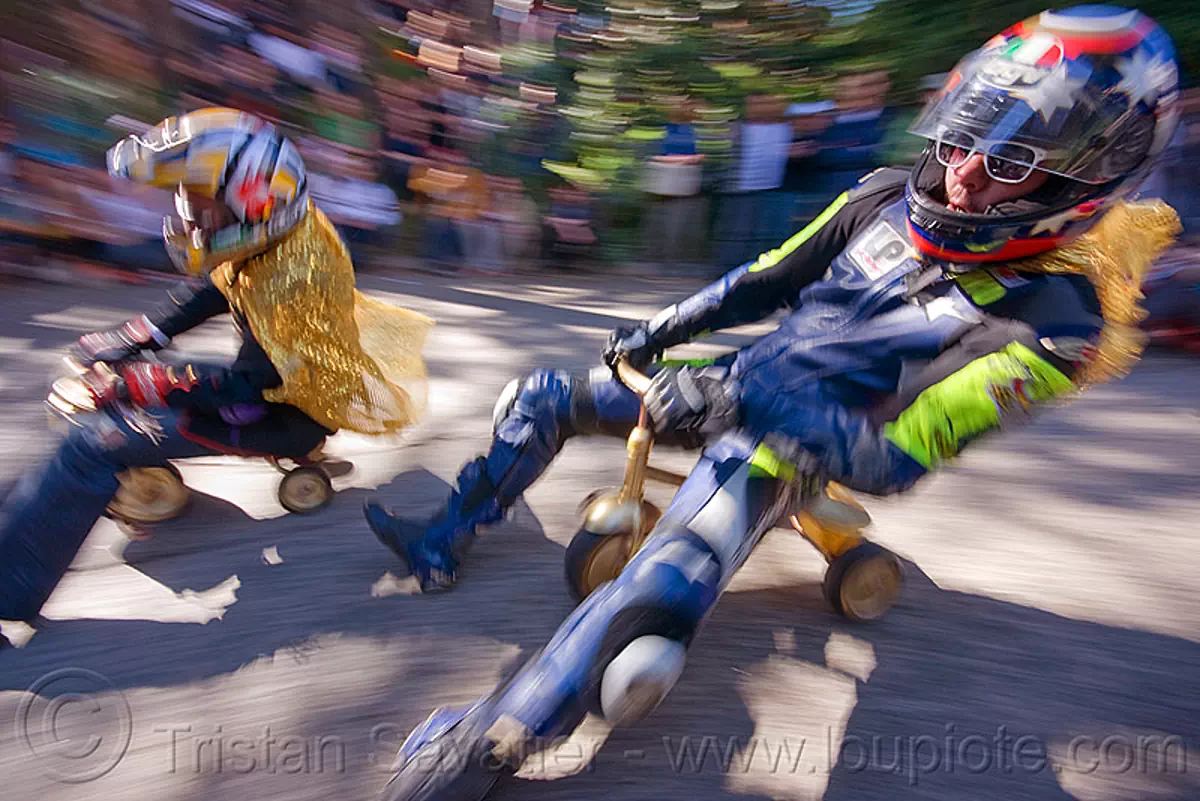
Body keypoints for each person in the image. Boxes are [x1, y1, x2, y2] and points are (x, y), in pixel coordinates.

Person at [367, 8, 1182, 799]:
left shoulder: (1055, 324)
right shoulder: (885, 194)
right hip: (729, 385)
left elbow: (893, 461)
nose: (963, 175)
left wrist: (738, 404)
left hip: (791, 449)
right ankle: (443, 540)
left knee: (655, 594)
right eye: (964, 138)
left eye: (1010, 162)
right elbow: (770, 276)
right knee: (541, 396)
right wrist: (659, 330)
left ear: (1088, 176)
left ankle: (499, 737)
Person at [0, 108, 433, 639]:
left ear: (254, 207)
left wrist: (136, 380)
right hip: (268, 383)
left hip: (280, 410)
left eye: (203, 209)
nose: (191, 218)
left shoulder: (296, 280)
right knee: (115, 396)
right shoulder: (275, 232)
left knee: (94, 440)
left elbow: (248, 383)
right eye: (189, 202)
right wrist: (140, 335)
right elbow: (220, 280)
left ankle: (9, 588)